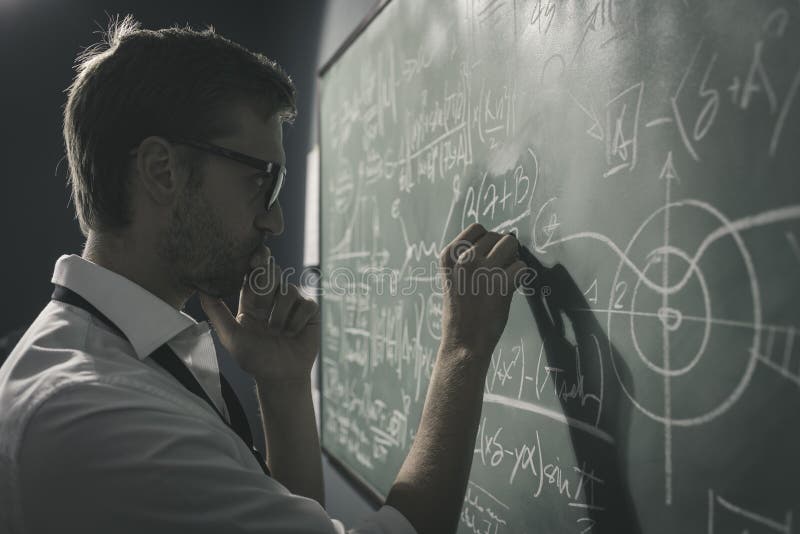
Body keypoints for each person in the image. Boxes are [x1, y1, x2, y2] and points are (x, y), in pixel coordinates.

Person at [0, 16, 526, 534]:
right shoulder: (102, 417)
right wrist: (463, 351)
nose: (275, 220)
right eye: (261, 181)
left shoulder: (102, 361)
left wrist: (284, 385)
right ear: (163, 171)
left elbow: (293, 517)